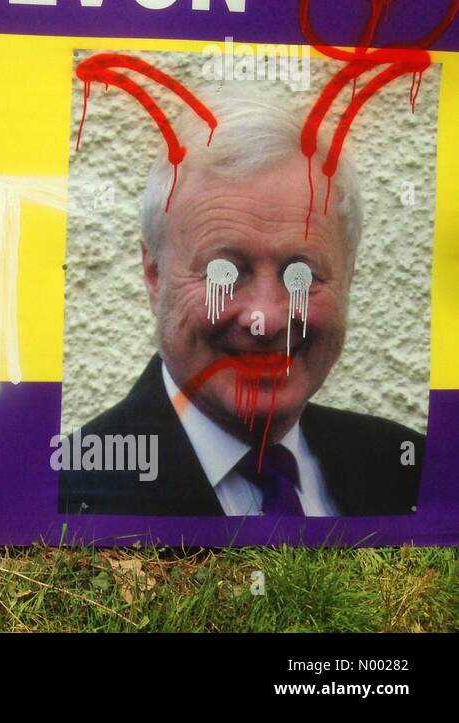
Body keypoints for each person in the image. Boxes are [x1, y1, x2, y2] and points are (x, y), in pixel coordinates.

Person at [59, 95, 424, 517]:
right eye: (223, 275)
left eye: (300, 275)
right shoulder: (71, 497)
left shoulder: (409, 473)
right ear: (154, 277)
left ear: (348, 278)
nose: (265, 319)